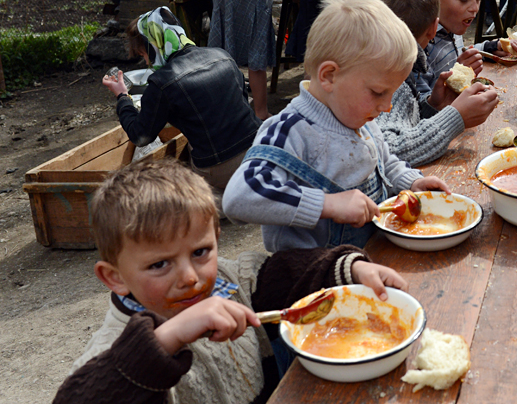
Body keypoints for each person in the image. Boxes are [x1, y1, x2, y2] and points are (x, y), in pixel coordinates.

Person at [54, 158, 409, 404]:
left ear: (216, 238)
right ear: (114, 277)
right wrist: (166, 339)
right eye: (160, 264)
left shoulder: (229, 281)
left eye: (200, 252)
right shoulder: (115, 353)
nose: (190, 277)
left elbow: (282, 274)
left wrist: (350, 269)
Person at [222, 0, 451, 251]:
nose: (387, 106)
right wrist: (327, 204)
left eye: (391, 94)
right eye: (378, 92)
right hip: (314, 268)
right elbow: (239, 197)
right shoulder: (289, 131)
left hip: (368, 255)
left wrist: (411, 182)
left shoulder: (359, 117)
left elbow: (385, 163)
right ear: (329, 76)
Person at [101, 7, 260, 195]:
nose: (147, 62)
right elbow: (242, 99)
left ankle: (216, 198)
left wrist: (122, 97)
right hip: (260, 148)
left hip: (221, 165)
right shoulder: (222, 55)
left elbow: (140, 136)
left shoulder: (162, 82)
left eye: (143, 54)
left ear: (153, 46)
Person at [376, 0, 499, 165]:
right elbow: (386, 153)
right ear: (435, 27)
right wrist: (455, 117)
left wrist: (434, 106)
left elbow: (405, 125)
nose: (474, 7)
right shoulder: (388, 78)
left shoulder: (396, 62)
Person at [412, 0, 517, 99]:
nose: (475, 8)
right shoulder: (423, 45)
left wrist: (491, 48)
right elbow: (421, 104)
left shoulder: (452, 27)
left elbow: (461, 53)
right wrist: (456, 75)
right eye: (464, 0)